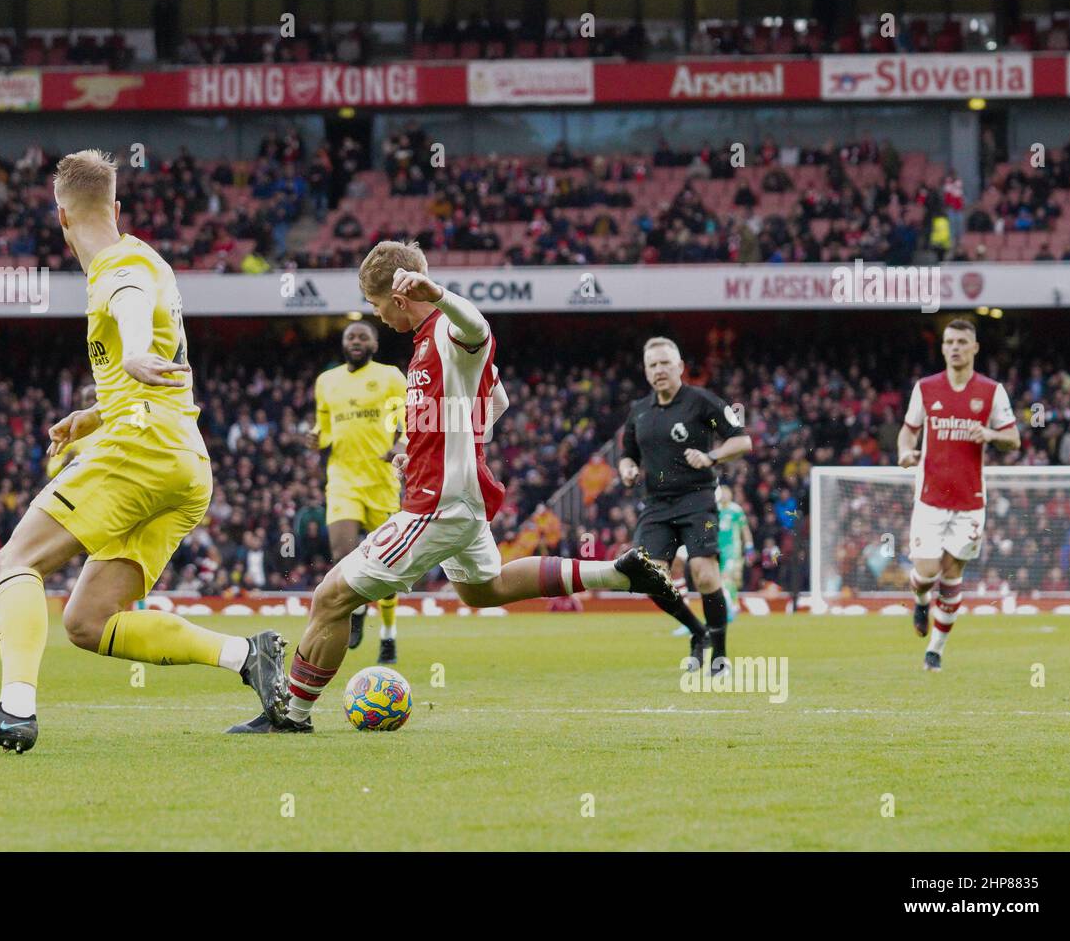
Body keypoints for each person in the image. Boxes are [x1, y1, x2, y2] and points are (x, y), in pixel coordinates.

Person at [229, 240, 680, 733]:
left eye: (380, 307)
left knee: (330, 597)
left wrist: (439, 294)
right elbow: (497, 401)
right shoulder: (425, 344)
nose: (379, 318)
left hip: (436, 506)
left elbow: (479, 329)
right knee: (486, 589)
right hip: (456, 496)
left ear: (401, 299)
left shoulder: (445, 330)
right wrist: (422, 449)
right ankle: (618, 574)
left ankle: (291, 716)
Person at [0, 149, 288, 753]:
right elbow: (155, 348)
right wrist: (94, 415)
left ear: (60, 217)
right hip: (184, 462)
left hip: (141, 448)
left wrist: (135, 351)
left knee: (15, 561)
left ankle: (16, 711)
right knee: (88, 622)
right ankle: (248, 656)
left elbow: (129, 302)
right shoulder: (152, 259)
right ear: (115, 208)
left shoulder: (117, 267)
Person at [619, 337, 752, 674]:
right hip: (656, 505)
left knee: (705, 574)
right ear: (646, 372)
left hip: (697, 500)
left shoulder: (702, 402)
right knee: (650, 577)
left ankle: (719, 653)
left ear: (679, 367)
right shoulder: (639, 412)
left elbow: (742, 440)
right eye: (653, 365)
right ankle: (698, 632)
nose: (659, 370)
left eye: (665, 363)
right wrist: (628, 471)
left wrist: (711, 456)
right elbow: (627, 456)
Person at [898, 318, 1020, 671]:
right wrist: (905, 454)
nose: (954, 347)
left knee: (951, 575)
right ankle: (921, 601)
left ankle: (935, 650)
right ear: (943, 347)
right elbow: (907, 434)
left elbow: (1014, 439)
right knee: (926, 574)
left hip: (969, 503)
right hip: (930, 498)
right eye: (949, 342)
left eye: (962, 342)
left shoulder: (992, 392)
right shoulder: (925, 388)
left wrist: (990, 434)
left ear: (975, 348)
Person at [308, 321, 407, 663]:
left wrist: (402, 445)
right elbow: (323, 428)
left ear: (374, 345)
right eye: (351, 336)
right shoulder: (327, 381)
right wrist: (315, 437)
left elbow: (406, 420)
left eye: (363, 336)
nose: (356, 341)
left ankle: (389, 634)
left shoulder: (391, 376)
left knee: (390, 563)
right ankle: (358, 608)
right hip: (343, 478)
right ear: (343, 344)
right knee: (343, 551)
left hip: (382, 479)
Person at [716, 484, 753, 621]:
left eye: (727, 493)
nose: (725, 495)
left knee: (726, 577)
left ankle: (732, 607)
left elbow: (745, 529)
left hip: (732, 550)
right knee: (721, 580)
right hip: (717, 550)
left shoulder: (736, 510)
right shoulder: (716, 510)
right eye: (722, 493)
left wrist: (749, 546)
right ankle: (732, 605)